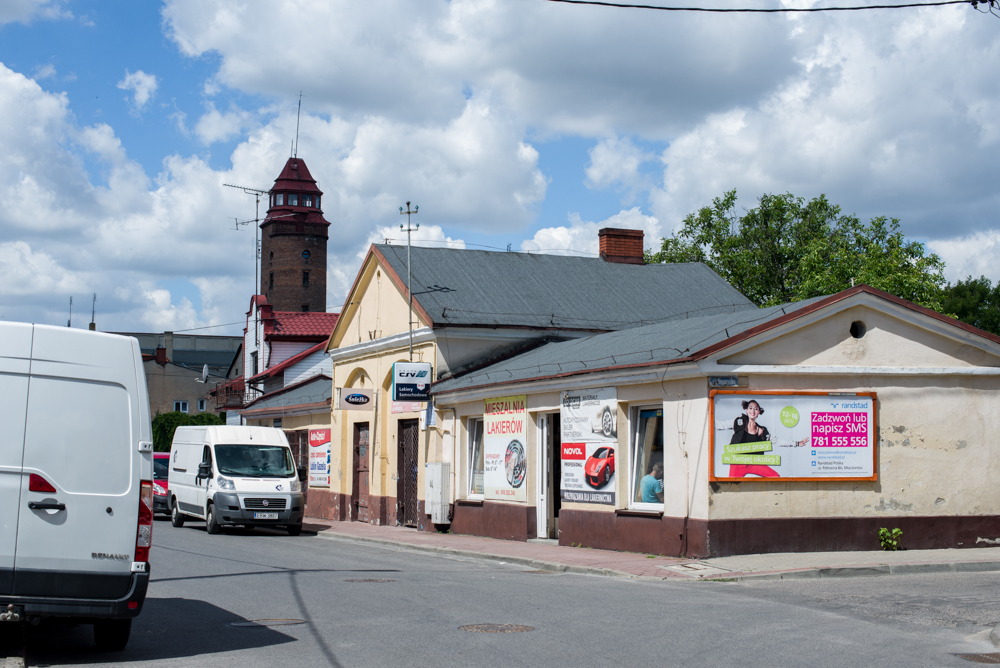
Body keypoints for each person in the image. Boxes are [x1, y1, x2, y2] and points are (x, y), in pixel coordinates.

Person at [728, 399, 779, 478]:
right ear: (747, 410)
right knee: (732, 486)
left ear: (759, 412)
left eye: (756, 409)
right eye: (750, 408)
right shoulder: (739, 422)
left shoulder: (762, 430)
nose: (753, 411)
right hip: (738, 463)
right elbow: (721, 425)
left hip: (754, 462)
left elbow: (776, 440)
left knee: (775, 476)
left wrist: (796, 443)